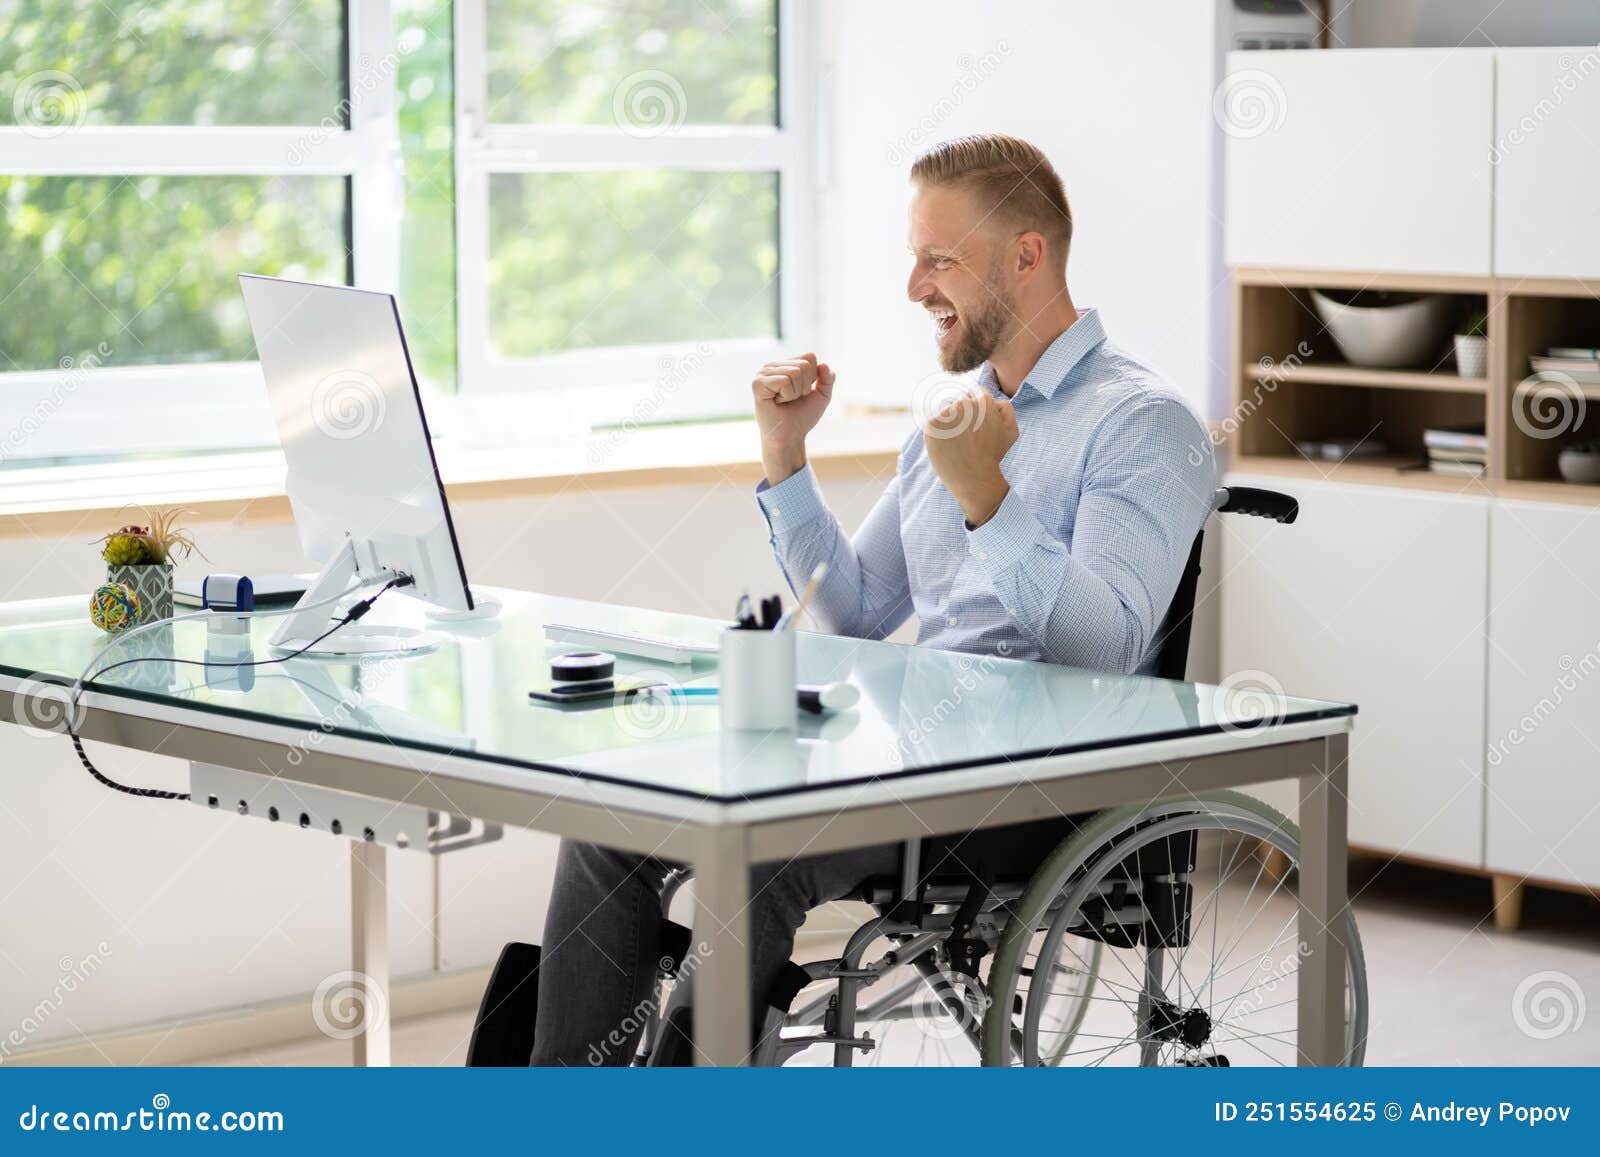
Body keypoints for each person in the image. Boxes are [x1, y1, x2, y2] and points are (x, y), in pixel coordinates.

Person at [529, 132, 1216, 1066]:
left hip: (1034, 788)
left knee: (754, 846)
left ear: (1028, 254)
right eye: (913, 257)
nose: (914, 287)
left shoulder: (1144, 423)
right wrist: (786, 456)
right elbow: (853, 611)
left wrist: (989, 499)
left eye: (940, 260)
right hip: (912, 752)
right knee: (613, 817)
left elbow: (1105, 647)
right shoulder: (949, 417)